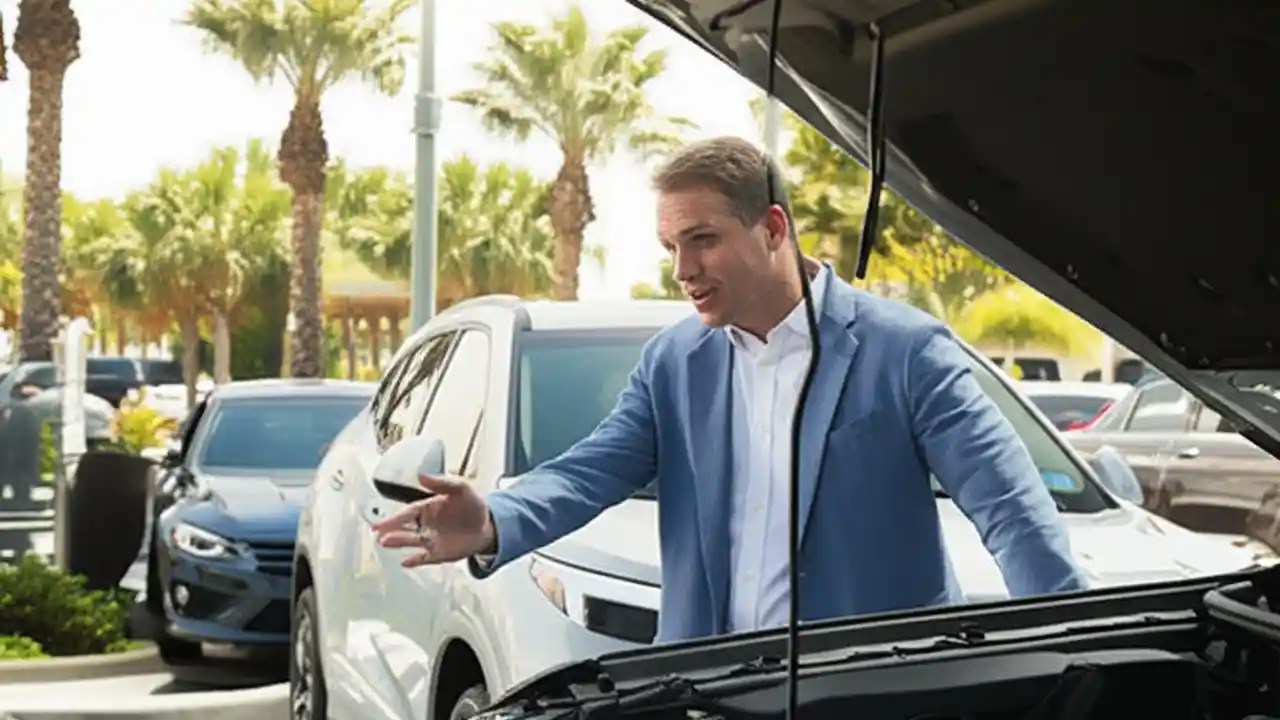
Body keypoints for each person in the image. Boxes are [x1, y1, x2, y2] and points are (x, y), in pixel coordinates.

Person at [372, 135, 1089, 643]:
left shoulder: (907, 352)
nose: (682, 268)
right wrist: (495, 519)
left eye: (703, 239)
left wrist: (1068, 654)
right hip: (713, 691)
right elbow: (588, 472)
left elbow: (1015, 515)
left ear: (773, 227)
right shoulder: (673, 363)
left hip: (879, 693)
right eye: (671, 248)